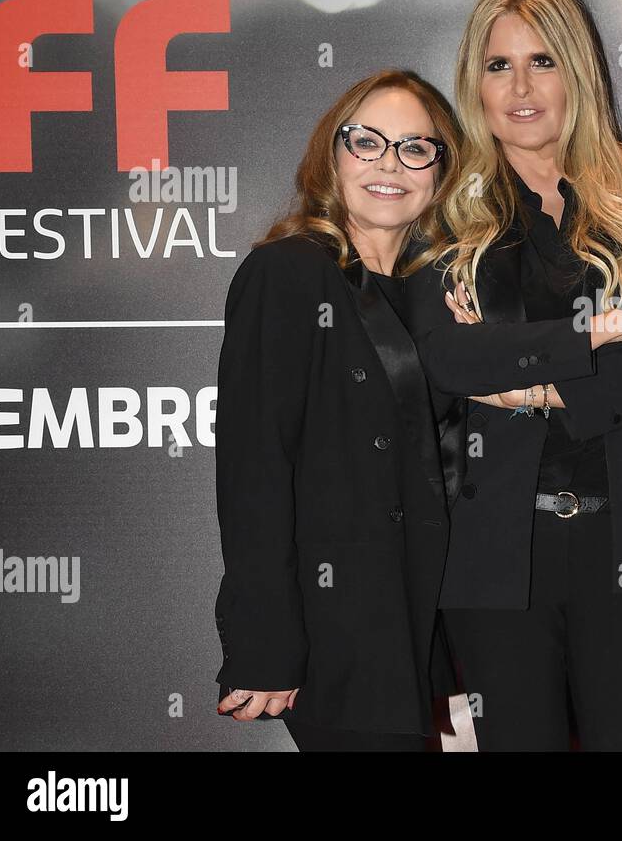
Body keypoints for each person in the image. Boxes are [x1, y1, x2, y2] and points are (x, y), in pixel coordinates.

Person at [403, 0, 622, 750]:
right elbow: (449, 358)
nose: (518, 87)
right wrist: (606, 335)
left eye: (541, 61)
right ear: (472, 82)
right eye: (497, 65)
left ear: (577, 70)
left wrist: (527, 389)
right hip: (495, 553)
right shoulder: (442, 205)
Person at [213, 68, 466, 751]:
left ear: (441, 170)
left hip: (417, 613)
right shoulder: (289, 272)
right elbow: (254, 468)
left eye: (417, 147)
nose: (391, 163)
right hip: (337, 626)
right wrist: (263, 640)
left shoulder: (438, 290)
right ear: (333, 153)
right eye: (368, 142)